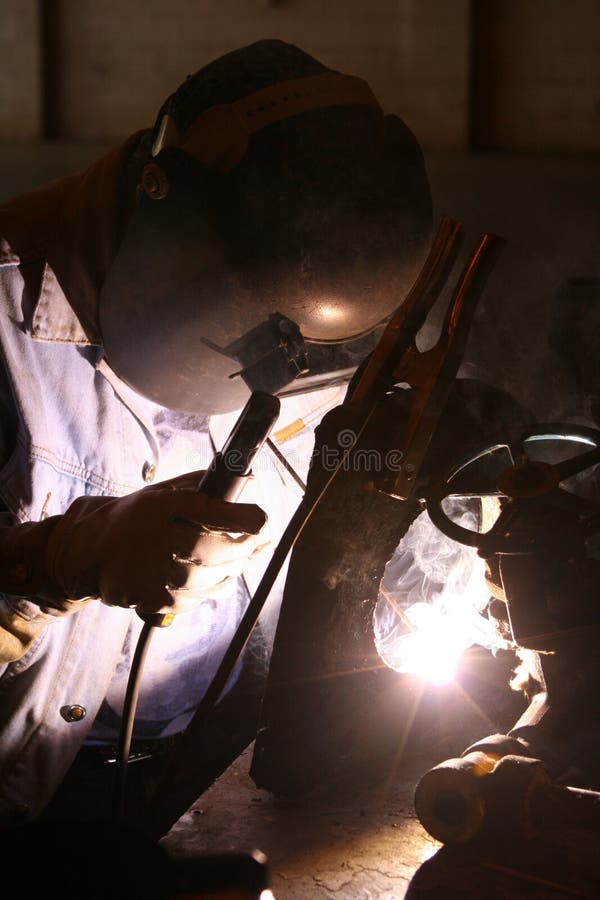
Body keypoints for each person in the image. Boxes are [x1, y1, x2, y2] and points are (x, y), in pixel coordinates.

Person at [0, 39, 432, 829]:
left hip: (213, 770)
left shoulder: (322, 322)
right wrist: (60, 556)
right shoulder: (5, 322)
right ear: (159, 204)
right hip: (29, 804)